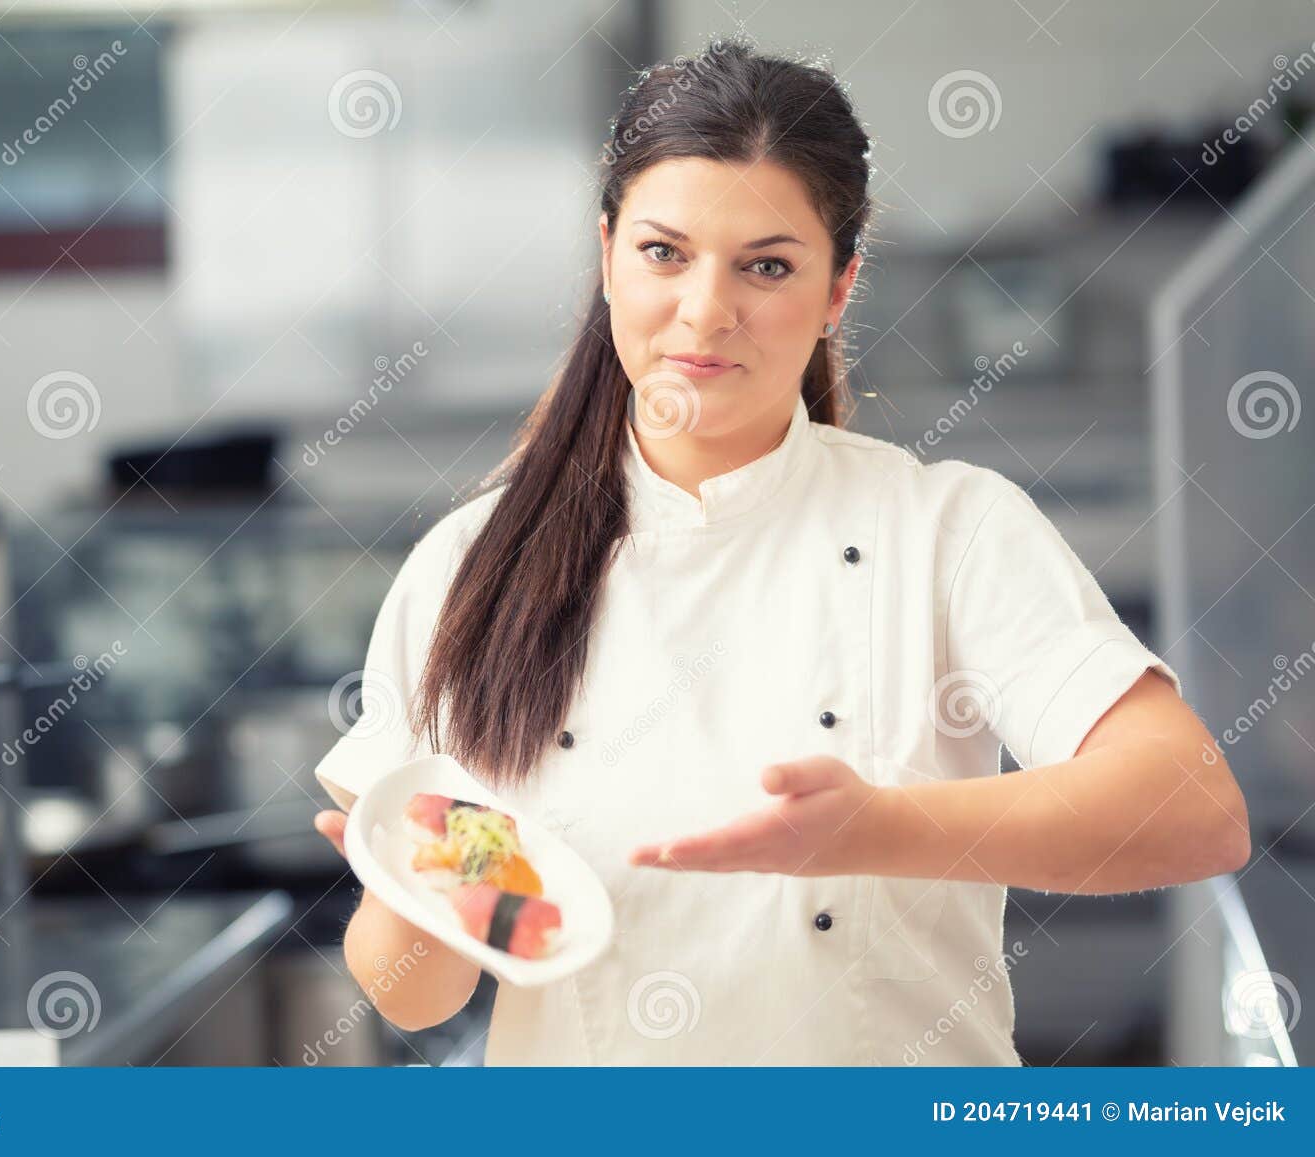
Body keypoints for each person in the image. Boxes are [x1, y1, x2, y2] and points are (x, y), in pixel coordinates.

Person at [310, 37, 1250, 1066]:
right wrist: (418, 887)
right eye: (664, 253)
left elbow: (1192, 809)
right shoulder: (471, 566)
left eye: (766, 265)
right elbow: (415, 996)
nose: (706, 311)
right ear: (608, 255)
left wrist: (875, 830)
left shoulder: (944, 529)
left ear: (838, 287)